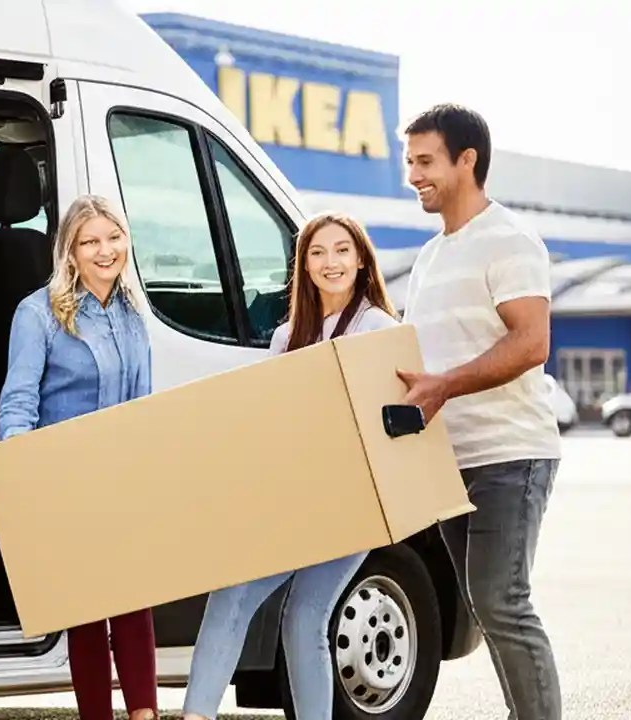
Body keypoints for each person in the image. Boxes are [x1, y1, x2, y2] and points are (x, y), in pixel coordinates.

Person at [181, 212, 399, 720]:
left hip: (354, 503)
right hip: (297, 499)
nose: (330, 262)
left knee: (302, 612)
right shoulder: (286, 337)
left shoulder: (379, 329)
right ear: (302, 265)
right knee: (252, 599)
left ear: (362, 260)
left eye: (342, 250)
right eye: (317, 253)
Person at [397, 103, 562, 720]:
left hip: (510, 453)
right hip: (449, 460)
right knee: (483, 604)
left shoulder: (509, 239)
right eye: (409, 162)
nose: (413, 175)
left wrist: (445, 386)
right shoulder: (429, 257)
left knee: (501, 601)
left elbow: (531, 342)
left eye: (425, 161)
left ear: (467, 160)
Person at [0, 194, 157, 720]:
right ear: (70, 251)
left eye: (113, 238)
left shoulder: (133, 313)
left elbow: (143, 403)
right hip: (67, 481)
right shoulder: (37, 314)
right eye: (90, 242)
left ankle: (145, 715)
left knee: (134, 600)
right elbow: (19, 402)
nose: (105, 251)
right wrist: (14, 466)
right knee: (88, 610)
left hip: (122, 478)